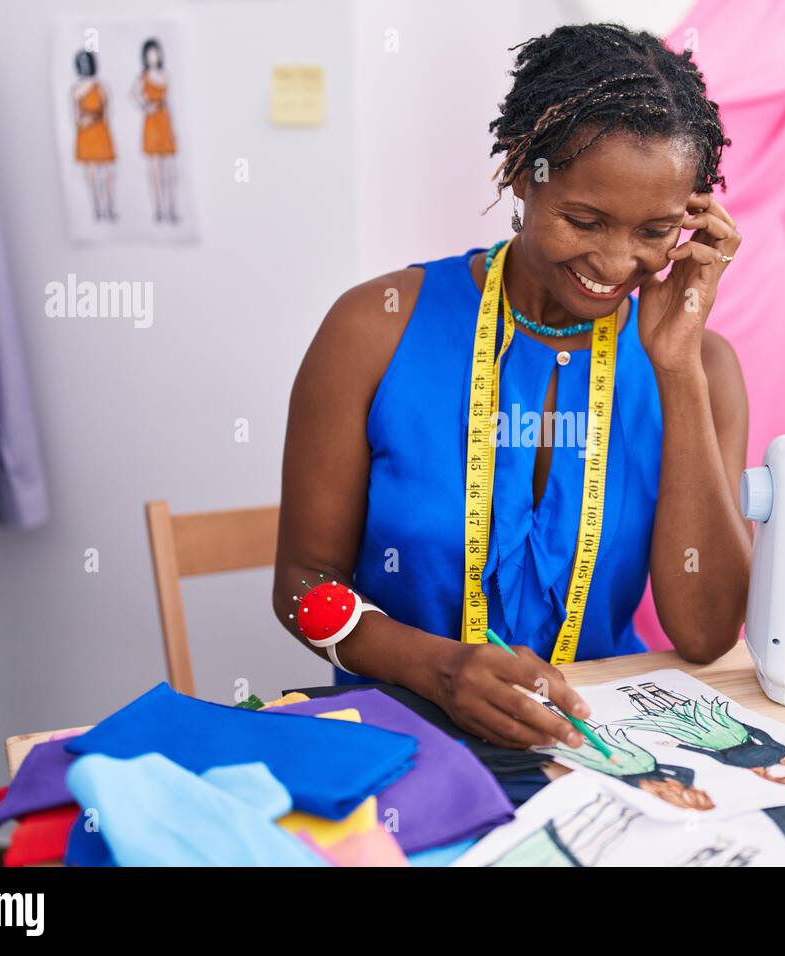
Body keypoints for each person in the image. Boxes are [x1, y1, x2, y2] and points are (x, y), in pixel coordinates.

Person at [274, 23, 751, 751]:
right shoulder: (375, 327)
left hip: (599, 748)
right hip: (397, 738)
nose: (616, 262)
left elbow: (707, 633)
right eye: (584, 220)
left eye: (654, 231)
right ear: (521, 171)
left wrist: (677, 366)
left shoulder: (702, 368)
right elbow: (303, 586)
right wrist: (438, 670)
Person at [132, 38, 178, 223]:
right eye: (149, 53)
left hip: (164, 122)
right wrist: (145, 106)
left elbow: (172, 100)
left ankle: (170, 209)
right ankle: (158, 210)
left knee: (169, 171)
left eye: (155, 53)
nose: (153, 57)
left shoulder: (165, 74)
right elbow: (134, 95)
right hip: (151, 124)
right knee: (155, 171)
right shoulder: (142, 77)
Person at [70, 49, 116, 221]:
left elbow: (107, 111)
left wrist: (94, 117)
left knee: (107, 174)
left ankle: (109, 207)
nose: (84, 66)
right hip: (86, 136)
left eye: (86, 62)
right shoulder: (76, 90)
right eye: (81, 62)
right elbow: (75, 118)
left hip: (101, 134)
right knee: (92, 176)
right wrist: (86, 120)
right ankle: (97, 209)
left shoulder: (100, 87)